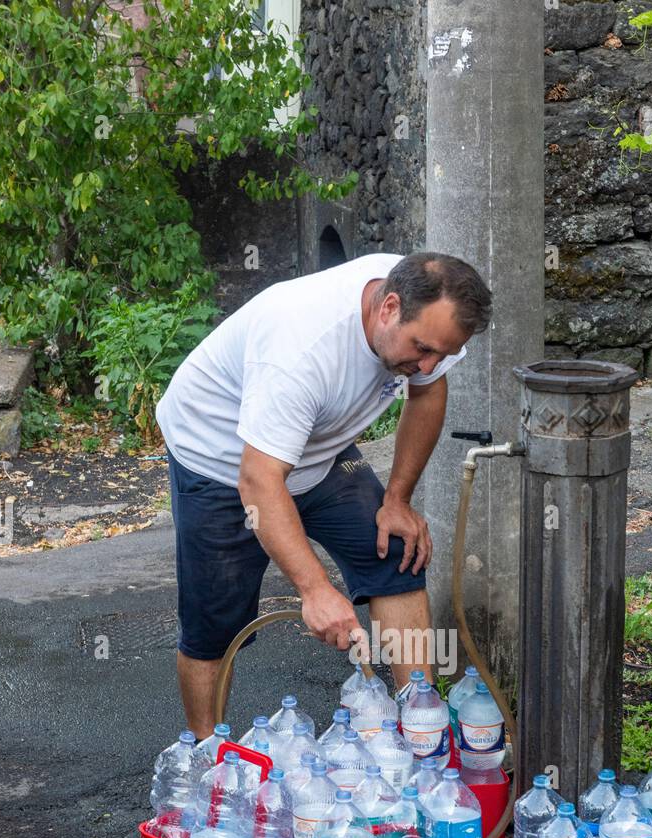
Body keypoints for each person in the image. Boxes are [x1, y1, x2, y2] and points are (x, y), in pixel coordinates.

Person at [156, 251, 491, 736]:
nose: (427, 365)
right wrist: (315, 590)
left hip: (318, 450)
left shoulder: (434, 312)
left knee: (395, 552)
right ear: (388, 308)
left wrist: (397, 500)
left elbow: (428, 392)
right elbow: (259, 480)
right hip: (220, 459)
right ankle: (208, 756)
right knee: (215, 623)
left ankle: (422, 729)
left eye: (440, 354)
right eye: (422, 349)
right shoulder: (301, 347)